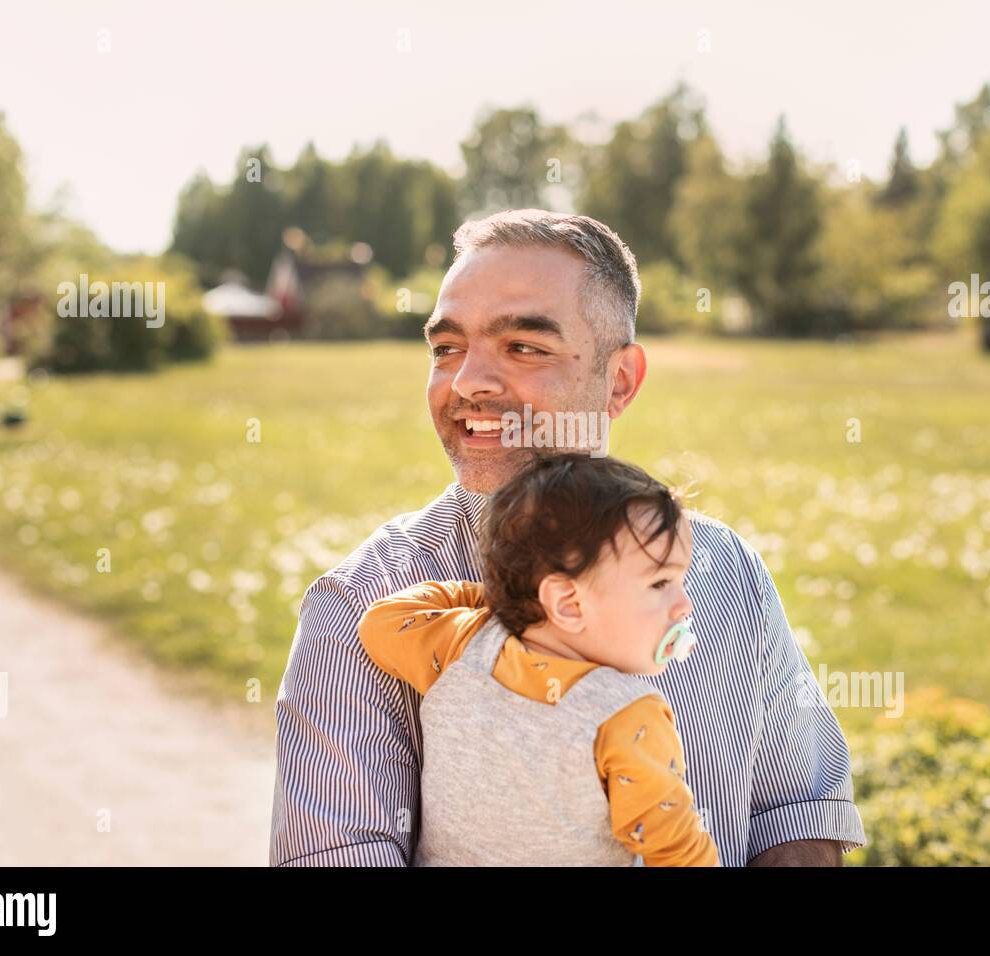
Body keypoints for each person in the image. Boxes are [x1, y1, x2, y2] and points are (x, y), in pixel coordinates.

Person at [270, 208, 866, 866]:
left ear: (620, 382)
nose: (466, 382)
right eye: (446, 349)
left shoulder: (729, 573)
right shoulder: (359, 606)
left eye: (523, 347)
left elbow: (795, 816)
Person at [357, 453, 719, 866]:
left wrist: (500, 604)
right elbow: (679, 853)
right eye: (660, 583)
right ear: (566, 603)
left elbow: (383, 621)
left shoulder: (465, 646)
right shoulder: (628, 717)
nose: (684, 605)